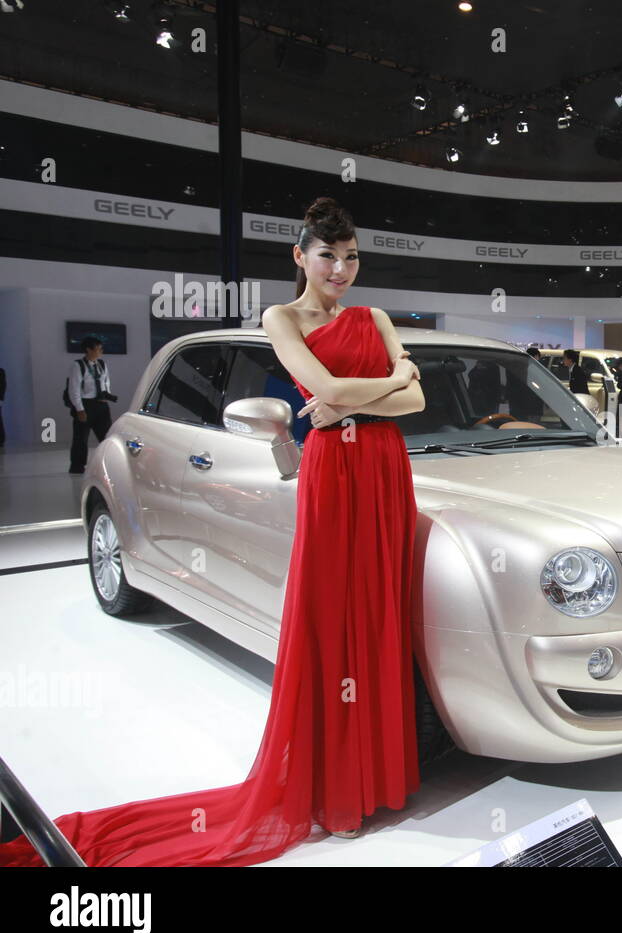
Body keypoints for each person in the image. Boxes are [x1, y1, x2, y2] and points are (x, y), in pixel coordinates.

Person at [1, 198, 426, 866]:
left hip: (384, 469)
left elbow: (415, 402)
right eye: (328, 256)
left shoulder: (372, 317)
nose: (341, 269)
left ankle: (380, 777)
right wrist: (391, 378)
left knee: (377, 616)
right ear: (300, 256)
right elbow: (327, 390)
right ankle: (340, 789)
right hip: (335, 468)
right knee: (333, 615)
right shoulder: (279, 318)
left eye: (350, 258)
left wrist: (364, 390)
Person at [66, 334, 115, 474]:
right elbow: (73, 389)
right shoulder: (78, 365)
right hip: (85, 405)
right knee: (81, 438)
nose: (101, 351)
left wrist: (106, 395)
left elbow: (106, 382)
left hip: (101, 404)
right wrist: (79, 409)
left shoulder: (102, 364)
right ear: (88, 350)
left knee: (106, 436)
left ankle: (109, 463)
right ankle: (77, 466)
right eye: (98, 349)